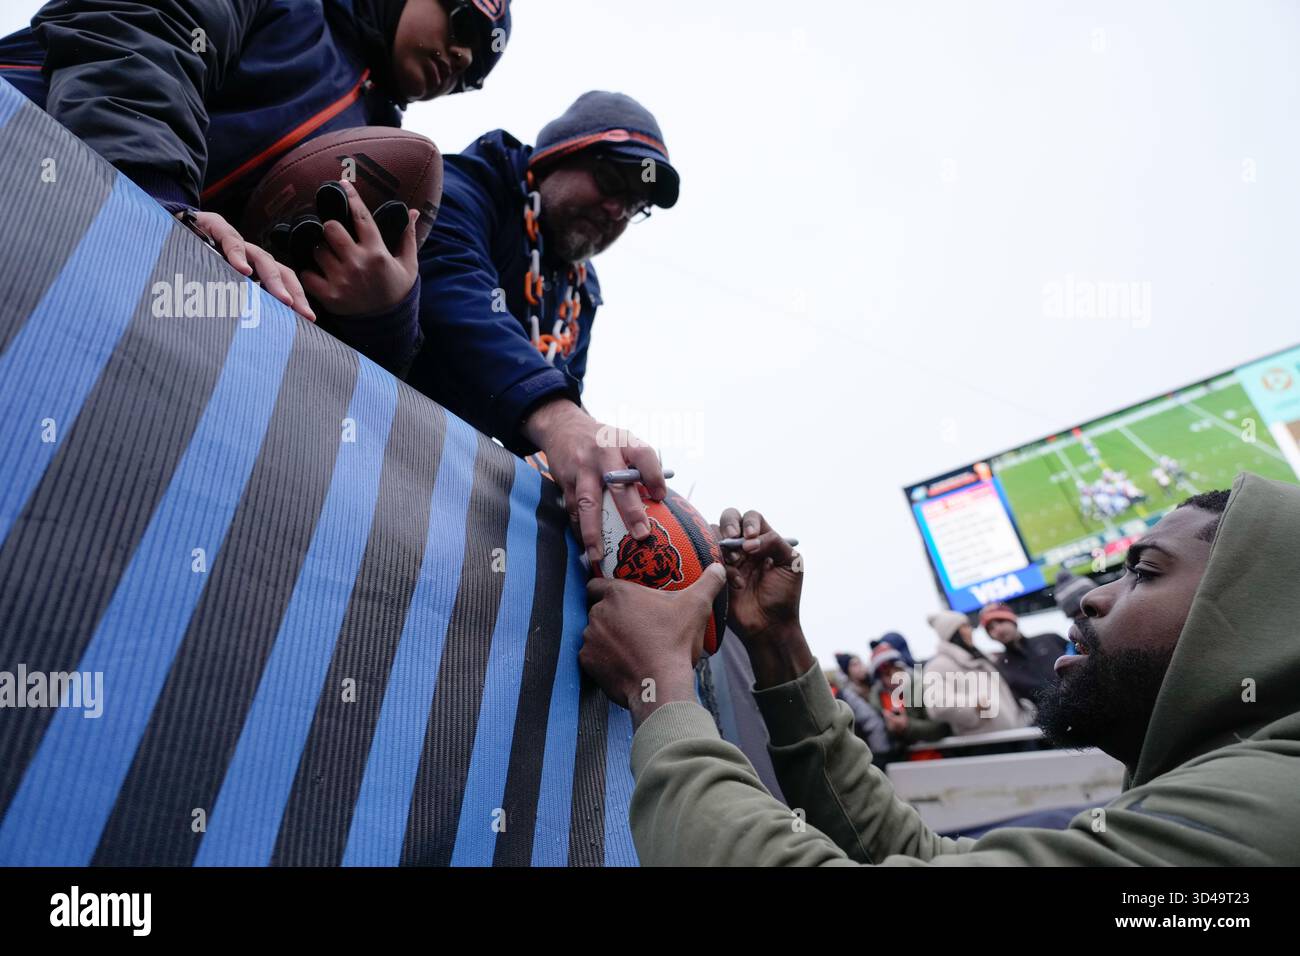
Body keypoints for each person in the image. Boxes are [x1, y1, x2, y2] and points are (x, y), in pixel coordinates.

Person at [577, 475, 1300, 865]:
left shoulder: (1267, 809)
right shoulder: (1236, 775)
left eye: (1144, 571)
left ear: (1257, 612)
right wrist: (778, 644)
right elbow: (911, 855)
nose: (1096, 597)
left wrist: (661, 687)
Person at [0, 0, 512, 346]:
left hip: (121, 323)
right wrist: (155, 199)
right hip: (24, 168)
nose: (464, 57)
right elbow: (141, 24)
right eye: (464, 23)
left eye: (476, 75)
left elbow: (318, 358)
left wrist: (382, 318)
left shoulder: (387, 169)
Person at [403, 91, 681, 566]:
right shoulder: (466, 188)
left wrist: (658, 510)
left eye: (634, 204)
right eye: (611, 179)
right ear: (558, 155)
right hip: (390, 444)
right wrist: (560, 420)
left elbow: (567, 406)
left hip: (457, 501)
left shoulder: (580, 292)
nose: (617, 210)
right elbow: (451, 281)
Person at [922, 610, 1028, 734]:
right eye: (965, 626)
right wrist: (975, 705)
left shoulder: (980, 659)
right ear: (953, 633)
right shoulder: (937, 666)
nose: (971, 630)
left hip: (1015, 734)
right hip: (987, 743)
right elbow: (937, 706)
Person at [980, 602, 1067, 709]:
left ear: (1013, 620)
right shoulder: (1001, 667)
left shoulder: (1050, 639)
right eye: (991, 628)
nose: (998, 629)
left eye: (1001, 621)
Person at [866, 644, 951, 750]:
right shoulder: (877, 701)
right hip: (902, 762)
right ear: (880, 679)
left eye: (897, 669)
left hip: (937, 756)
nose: (894, 677)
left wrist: (907, 725)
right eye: (887, 673)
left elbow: (943, 727)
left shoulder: (923, 688)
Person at [831, 654, 891, 759]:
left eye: (860, 662)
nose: (860, 667)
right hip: (870, 751)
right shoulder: (847, 695)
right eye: (854, 665)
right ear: (847, 671)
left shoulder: (876, 686)